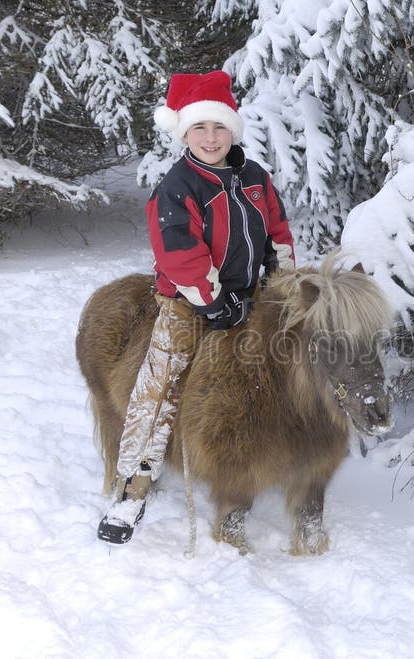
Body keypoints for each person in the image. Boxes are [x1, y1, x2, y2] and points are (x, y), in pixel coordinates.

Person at [98, 70, 296, 544]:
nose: (211, 138)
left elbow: (278, 231)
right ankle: (132, 490)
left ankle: (268, 456)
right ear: (184, 133)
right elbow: (180, 254)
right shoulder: (179, 185)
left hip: (251, 299)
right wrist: (212, 300)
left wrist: (280, 278)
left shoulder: (254, 178)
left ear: (234, 130)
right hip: (189, 304)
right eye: (200, 129)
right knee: (159, 388)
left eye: (219, 127)